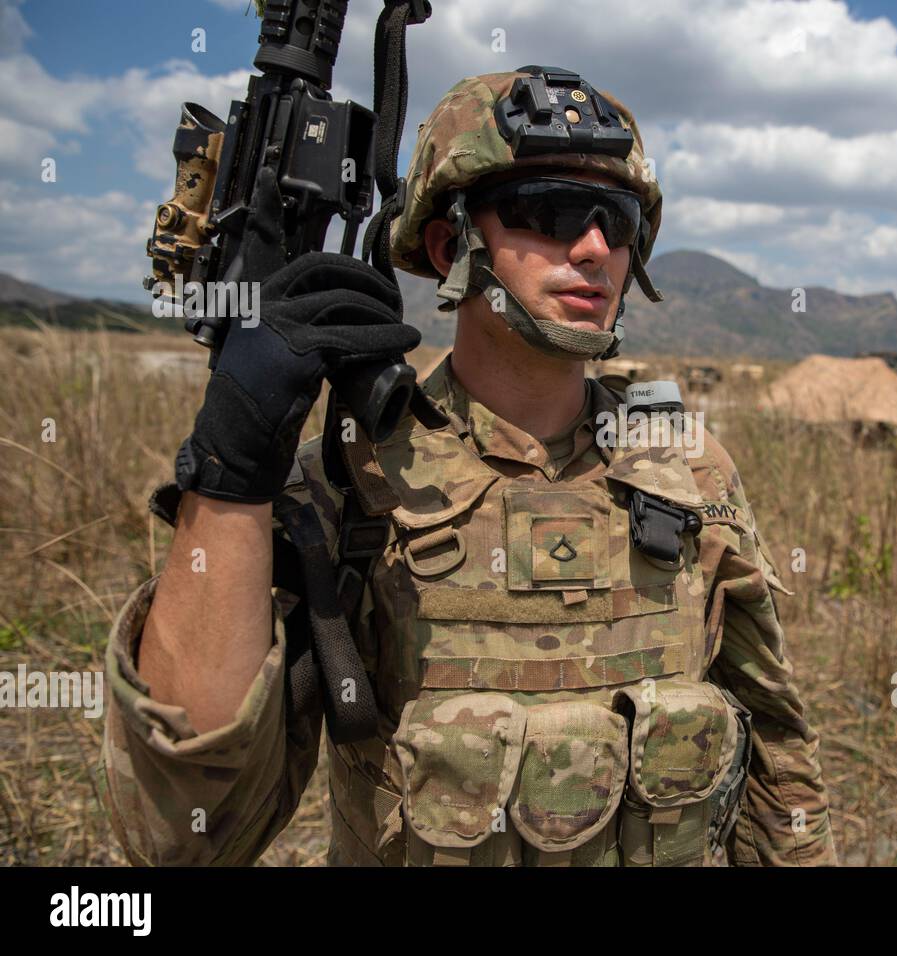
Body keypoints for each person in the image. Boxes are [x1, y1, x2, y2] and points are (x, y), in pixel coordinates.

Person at [100, 66, 837, 867]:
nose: (593, 248)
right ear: (453, 243)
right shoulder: (353, 478)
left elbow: (778, 756)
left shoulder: (686, 470)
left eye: (616, 220)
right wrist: (232, 470)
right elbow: (185, 835)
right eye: (549, 212)